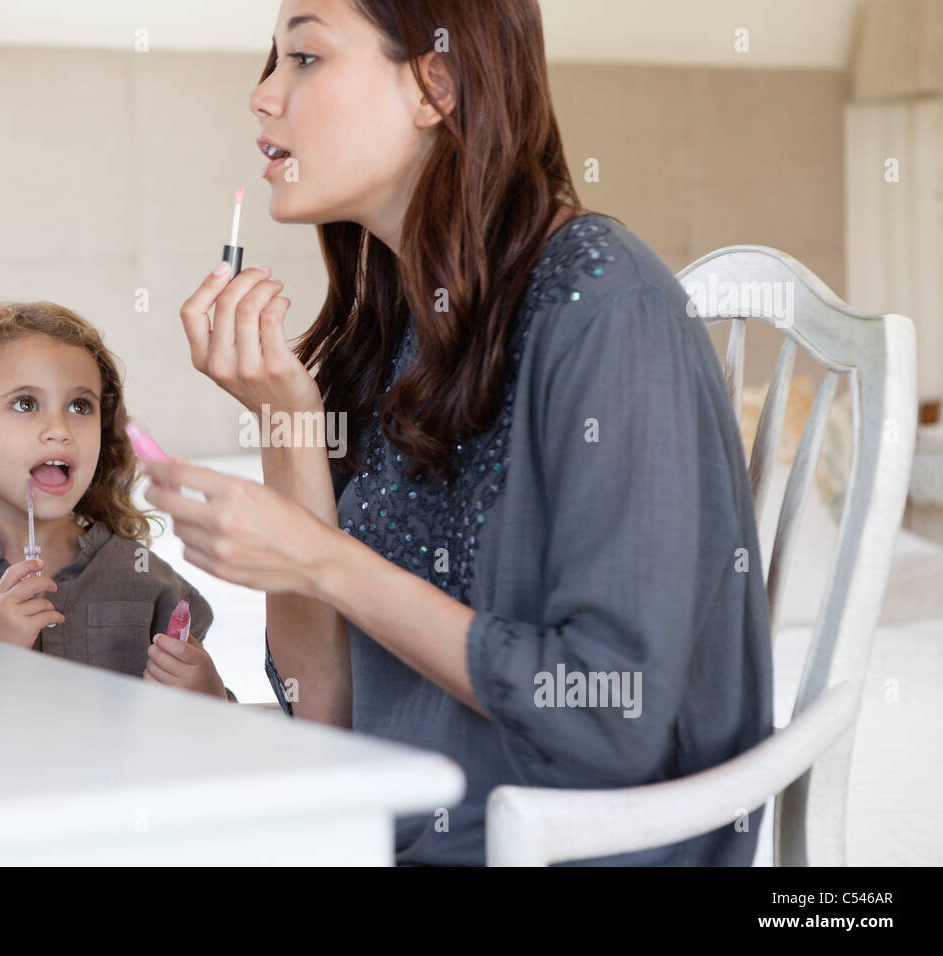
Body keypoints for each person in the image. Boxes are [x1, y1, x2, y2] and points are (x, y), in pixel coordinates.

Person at [139, 0, 773, 863]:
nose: (262, 95)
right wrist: (287, 421)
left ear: (434, 85)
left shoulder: (606, 306)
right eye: (271, 60)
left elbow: (610, 717)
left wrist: (322, 560)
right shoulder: (410, 331)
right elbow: (323, 715)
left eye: (306, 58)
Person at [0, 300, 234, 702]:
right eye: (25, 403)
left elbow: (211, 744)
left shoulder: (151, 585)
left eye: (80, 406)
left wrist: (209, 696)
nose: (59, 429)